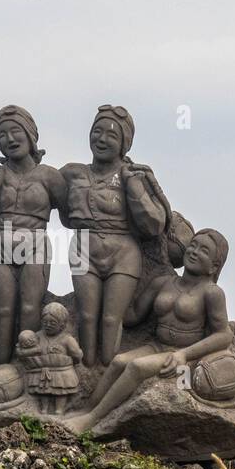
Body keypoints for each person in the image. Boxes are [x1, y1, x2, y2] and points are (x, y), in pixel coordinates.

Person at [64, 229, 232, 434]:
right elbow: (133, 315)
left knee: (136, 367)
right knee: (119, 361)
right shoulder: (163, 282)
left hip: (183, 359)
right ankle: (87, 408)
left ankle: (92, 419)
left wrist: (184, 355)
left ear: (214, 266)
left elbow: (224, 335)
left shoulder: (212, 293)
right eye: (193, 245)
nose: (194, 251)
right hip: (157, 346)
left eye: (204, 250)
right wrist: (106, 299)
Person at [59, 104, 171, 367]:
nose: (101, 139)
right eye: (96, 131)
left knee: (111, 318)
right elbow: (53, 204)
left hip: (123, 251)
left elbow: (155, 225)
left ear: (125, 144)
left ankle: (108, 369)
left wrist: (134, 189)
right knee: (87, 315)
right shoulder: (71, 173)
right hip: (83, 247)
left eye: (111, 135)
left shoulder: (134, 175)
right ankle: (87, 371)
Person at [0, 105, 67, 364]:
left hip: (35, 243)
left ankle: (25, 366)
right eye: (2, 135)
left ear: (30, 134)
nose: (9, 139)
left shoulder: (49, 176)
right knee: (4, 310)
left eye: (15, 131)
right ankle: (2, 364)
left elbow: (72, 217)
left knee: (31, 307)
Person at [15, 303, 83, 415]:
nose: (48, 325)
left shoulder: (67, 339)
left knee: (61, 391)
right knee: (44, 390)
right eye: (45, 322)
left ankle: (59, 410)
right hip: (42, 369)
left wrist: (62, 352)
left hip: (61, 371)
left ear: (62, 325)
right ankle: (44, 409)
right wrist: (33, 351)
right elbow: (20, 350)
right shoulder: (37, 336)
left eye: (53, 323)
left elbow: (77, 355)